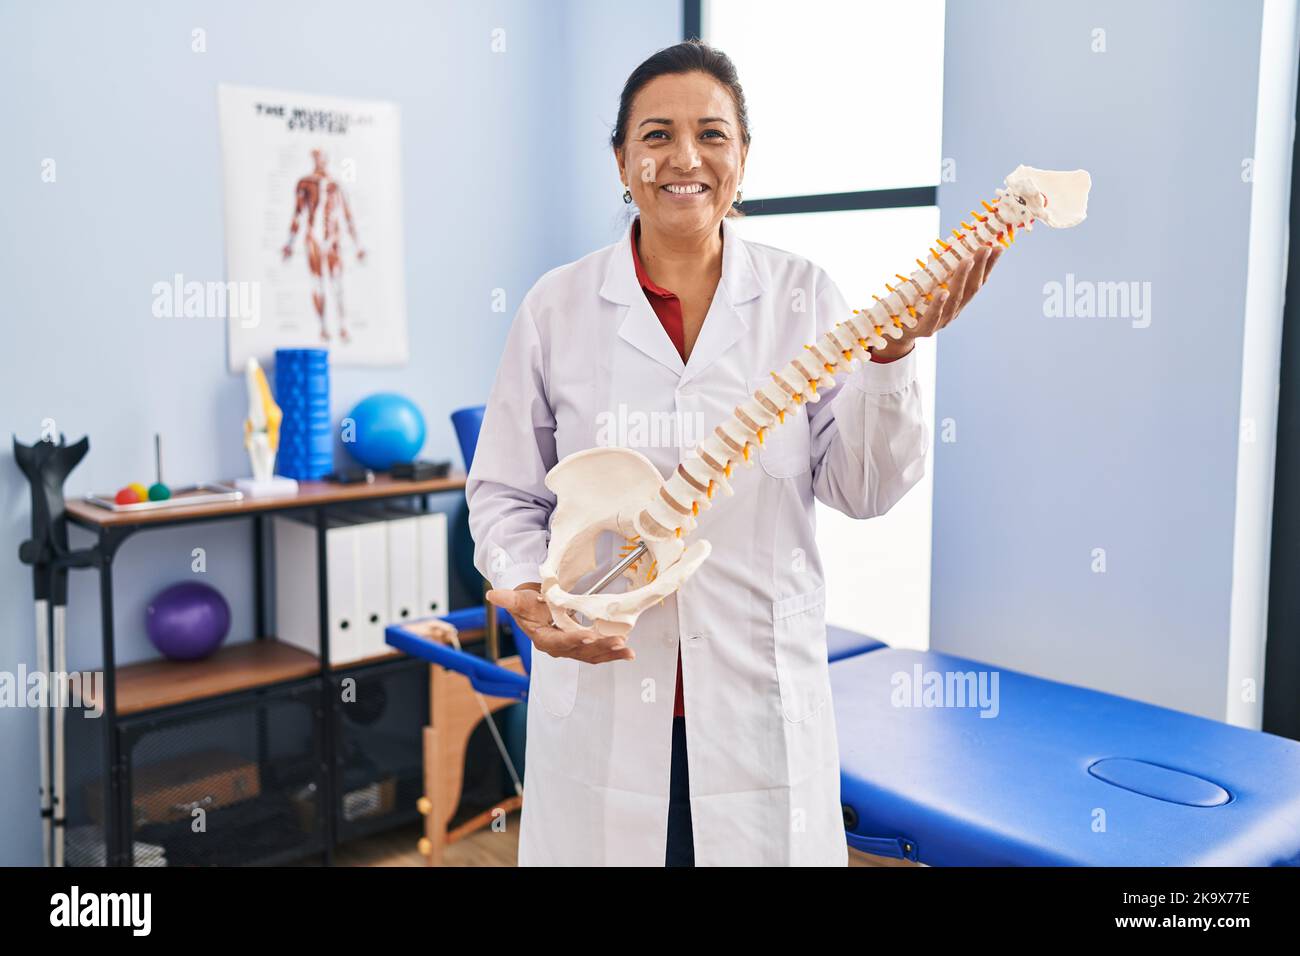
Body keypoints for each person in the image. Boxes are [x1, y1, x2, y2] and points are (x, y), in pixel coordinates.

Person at [468, 39, 1000, 866]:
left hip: (758, 703)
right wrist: (531, 586)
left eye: (713, 135)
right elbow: (504, 491)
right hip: (605, 691)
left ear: (743, 158)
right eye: (656, 135)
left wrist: (891, 361)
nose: (686, 158)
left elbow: (862, 488)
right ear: (620, 160)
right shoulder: (555, 308)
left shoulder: (803, 297)